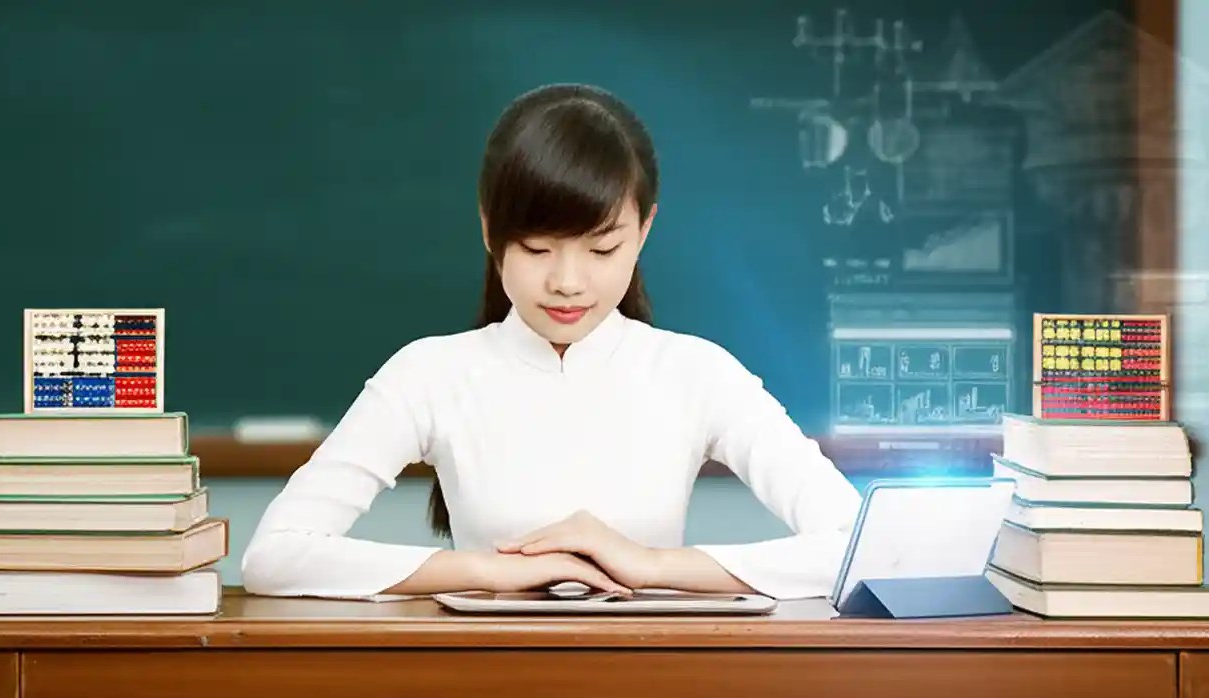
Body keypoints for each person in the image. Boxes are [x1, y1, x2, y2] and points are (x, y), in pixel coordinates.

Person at [240, 83, 862, 601]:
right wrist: (491, 571)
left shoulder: (697, 373)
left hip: (659, 684)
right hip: (483, 683)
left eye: (601, 249)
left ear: (644, 229)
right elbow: (274, 558)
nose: (567, 282)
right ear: (490, 228)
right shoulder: (429, 373)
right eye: (537, 249)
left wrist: (649, 566)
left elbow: (862, 551)